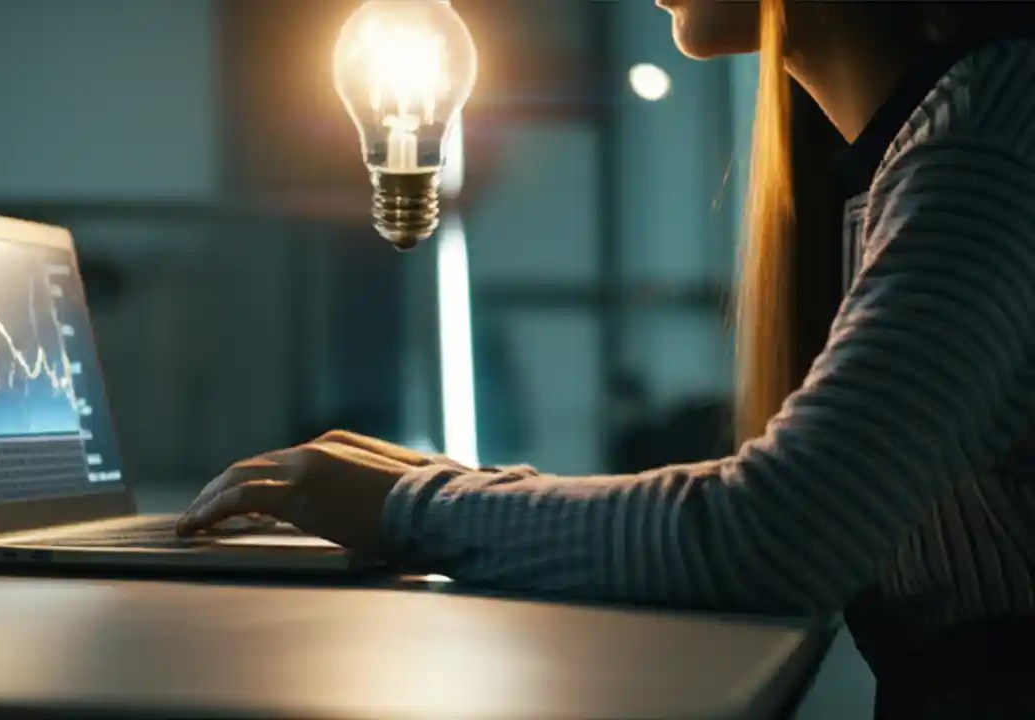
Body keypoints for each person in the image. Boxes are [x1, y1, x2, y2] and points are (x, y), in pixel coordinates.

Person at [178, 1, 1035, 716]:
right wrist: (438, 492)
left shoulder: (985, 138)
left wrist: (414, 505)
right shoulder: (916, 146)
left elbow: (776, 531)